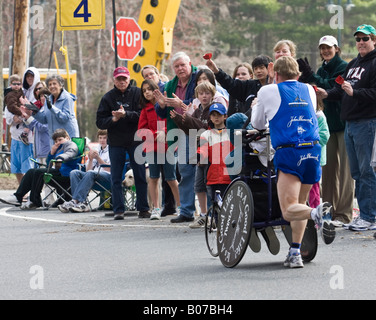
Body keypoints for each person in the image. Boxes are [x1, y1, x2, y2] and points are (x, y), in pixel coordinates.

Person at [251, 56, 336, 268]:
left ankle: (318, 213)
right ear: (297, 74)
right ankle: (295, 252)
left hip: (289, 151)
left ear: (275, 74)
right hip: (313, 150)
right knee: (300, 203)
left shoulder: (268, 90)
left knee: (289, 210)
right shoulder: (308, 88)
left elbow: (257, 123)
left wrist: (257, 104)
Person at [317, 24, 376, 232]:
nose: (361, 42)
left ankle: (369, 216)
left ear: (374, 40)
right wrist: (327, 93)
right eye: (358, 39)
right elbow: (341, 89)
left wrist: (356, 93)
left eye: (365, 39)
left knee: (367, 170)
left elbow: (369, 93)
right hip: (350, 122)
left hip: (367, 122)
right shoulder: (353, 64)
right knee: (357, 172)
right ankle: (365, 217)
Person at [297, 35, 354, 227]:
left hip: (342, 124)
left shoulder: (344, 67)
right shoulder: (322, 68)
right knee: (327, 170)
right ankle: (328, 212)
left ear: (337, 48)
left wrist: (313, 76)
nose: (325, 51)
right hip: (325, 125)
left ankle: (344, 215)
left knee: (345, 172)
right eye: (322, 48)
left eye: (328, 47)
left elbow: (332, 86)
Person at [96, 66, 150, 220]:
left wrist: (126, 115)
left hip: (136, 141)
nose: (121, 82)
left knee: (140, 175)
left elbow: (144, 115)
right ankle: (118, 209)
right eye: (119, 79)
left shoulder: (138, 93)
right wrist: (113, 119)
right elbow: (99, 121)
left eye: (124, 79)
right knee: (116, 177)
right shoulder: (108, 98)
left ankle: (143, 208)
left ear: (129, 79)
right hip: (116, 142)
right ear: (114, 80)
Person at [154, 52, 198, 223]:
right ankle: (186, 211)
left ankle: (208, 212)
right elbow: (161, 111)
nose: (180, 68)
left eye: (183, 65)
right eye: (177, 66)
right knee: (185, 171)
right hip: (180, 131)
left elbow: (201, 99)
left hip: (198, 128)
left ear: (190, 64)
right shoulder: (170, 85)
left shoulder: (198, 77)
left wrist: (182, 102)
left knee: (202, 171)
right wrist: (162, 105)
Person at [170, 82, 217, 228]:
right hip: (199, 153)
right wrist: (179, 120)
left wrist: (190, 120)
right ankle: (203, 215)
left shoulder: (214, 110)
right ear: (197, 96)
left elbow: (205, 128)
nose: (204, 96)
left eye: (207, 93)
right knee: (199, 185)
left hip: (211, 152)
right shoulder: (197, 111)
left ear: (212, 95)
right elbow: (190, 130)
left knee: (210, 185)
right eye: (201, 93)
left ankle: (213, 215)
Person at [0, 129, 79, 209]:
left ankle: (34, 201)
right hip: (59, 172)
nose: (58, 142)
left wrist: (60, 158)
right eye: (56, 141)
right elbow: (49, 164)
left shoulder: (71, 144)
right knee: (31, 171)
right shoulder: (59, 148)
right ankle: (18, 196)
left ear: (67, 138)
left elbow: (71, 152)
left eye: (60, 139)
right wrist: (52, 153)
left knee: (39, 172)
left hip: (66, 174)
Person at [137, 79, 180, 220]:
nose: (147, 92)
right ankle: (155, 208)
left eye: (149, 89)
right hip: (152, 148)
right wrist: (154, 135)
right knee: (153, 178)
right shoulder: (145, 110)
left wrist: (166, 132)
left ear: (156, 89)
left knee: (171, 178)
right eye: (144, 91)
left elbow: (173, 123)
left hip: (168, 147)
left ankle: (181, 207)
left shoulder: (166, 106)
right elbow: (141, 130)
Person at [58, 129, 111, 213]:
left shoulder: (111, 150)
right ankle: (81, 203)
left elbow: (109, 169)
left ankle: (75, 201)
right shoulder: (96, 149)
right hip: (93, 177)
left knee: (91, 173)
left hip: (107, 177)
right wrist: (90, 160)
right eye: (100, 138)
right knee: (74, 172)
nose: (102, 140)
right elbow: (88, 171)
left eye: (104, 138)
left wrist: (98, 158)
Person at [21, 74, 79, 143]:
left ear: (61, 85)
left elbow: (65, 118)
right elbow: (44, 120)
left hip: (67, 139)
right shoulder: (49, 99)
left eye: (54, 84)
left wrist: (52, 108)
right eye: (50, 84)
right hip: (54, 139)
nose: (52, 86)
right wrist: (35, 111)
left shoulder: (67, 98)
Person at [197, 103, 233, 211]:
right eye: (213, 115)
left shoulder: (231, 133)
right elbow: (203, 150)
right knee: (217, 206)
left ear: (225, 116)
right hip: (213, 178)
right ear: (210, 117)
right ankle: (217, 225)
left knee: (229, 206)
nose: (216, 117)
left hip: (229, 177)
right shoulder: (206, 134)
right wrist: (198, 156)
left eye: (219, 114)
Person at [4, 75, 33, 184]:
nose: (16, 86)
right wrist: (15, 116)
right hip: (15, 136)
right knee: (16, 166)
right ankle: (22, 191)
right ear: (10, 85)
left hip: (26, 137)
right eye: (14, 84)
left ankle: (28, 191)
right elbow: (8, 114)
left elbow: (32, 112)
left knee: (27, 166)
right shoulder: (10, 95)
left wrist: (24, 115)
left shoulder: (25, 94)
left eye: (18, 84)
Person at [308, 99, 330, 208]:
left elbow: (324, 136)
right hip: (304, 157)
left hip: (316, 157)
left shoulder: (319, 116)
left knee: (314, 187)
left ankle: (315, 213)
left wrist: (310, 142)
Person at [23, 81, 51, 164]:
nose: (43, 98)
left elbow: (43, 127)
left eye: (45, 96)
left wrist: (29, 117)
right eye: (41, 96)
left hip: (47, 149)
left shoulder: (50, 110)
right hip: (39, 149)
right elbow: (34, 128)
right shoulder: (42, 109)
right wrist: (26, 117)